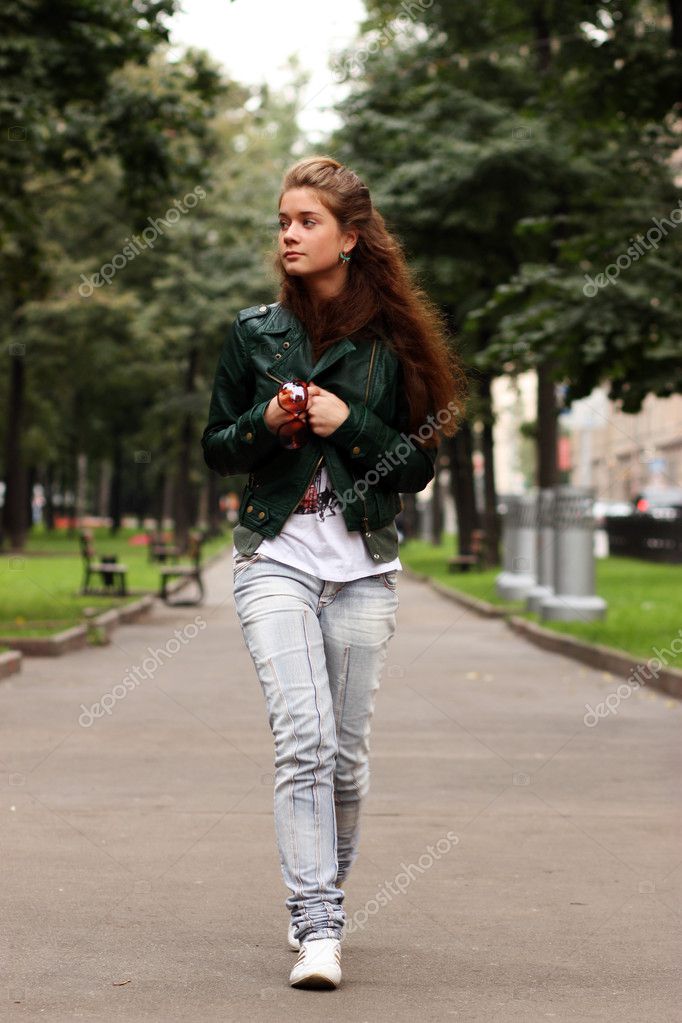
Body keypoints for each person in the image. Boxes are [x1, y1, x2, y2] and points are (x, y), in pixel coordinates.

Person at [201, 155, 466, 990]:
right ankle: (317, 922)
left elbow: (413, 468)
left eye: (307, 221)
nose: (289, 233)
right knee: (304, 739)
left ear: (349, 238)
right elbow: (217, 448)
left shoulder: (391, 344)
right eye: (283, 220)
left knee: (345, 758)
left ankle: (325, 893)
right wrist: (266, 420)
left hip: (361, 569)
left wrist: (347, 421)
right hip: (274, 558)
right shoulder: (254, 333)